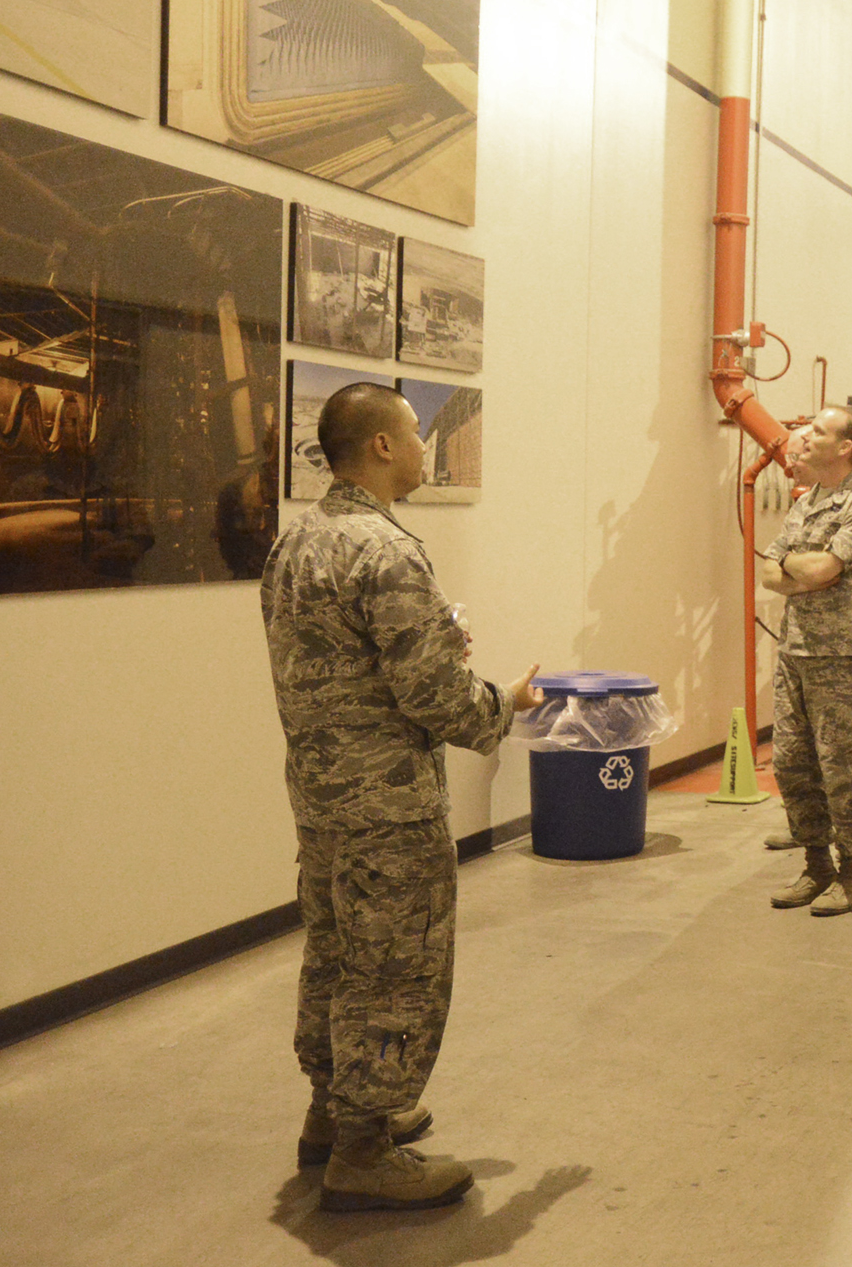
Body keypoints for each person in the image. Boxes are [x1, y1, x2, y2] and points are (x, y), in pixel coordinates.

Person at [261, 382, 542, 1213]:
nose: (424, 448)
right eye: (415, 434)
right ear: (381, 447)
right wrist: (505, 702)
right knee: (396, 964)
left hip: (321, 798)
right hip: (389, 806)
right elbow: (434, 697)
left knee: (336, 952)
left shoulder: (296, 542)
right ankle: (363, 1147)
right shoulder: (386, 552)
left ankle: (329, 1111)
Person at [758, 406, 852, 915]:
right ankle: (816, 866)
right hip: (795, 650)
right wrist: (805, 571)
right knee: (793, 764)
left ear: (845, 448)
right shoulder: (805, 505)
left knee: (842, 768)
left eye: (819, 431)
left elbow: (822, 566)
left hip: (842, 657)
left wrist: (803, 568)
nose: (806, 439)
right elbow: (770, 572)